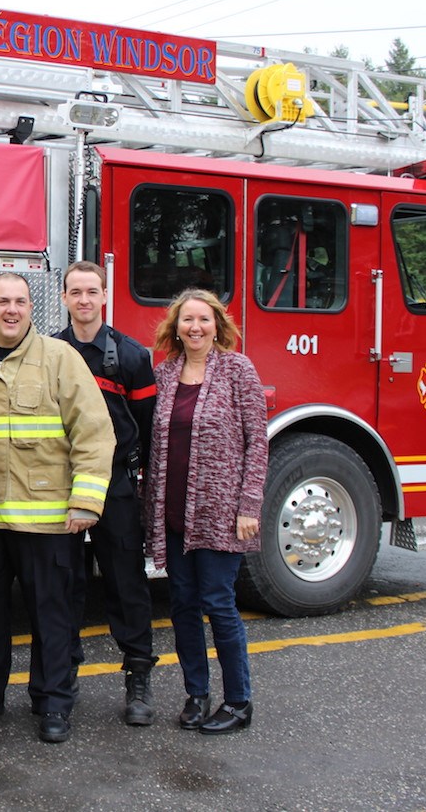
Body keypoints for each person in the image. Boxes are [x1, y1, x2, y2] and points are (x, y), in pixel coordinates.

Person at [0, 272, 114, 745]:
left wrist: (86, 502)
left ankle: (53, 702)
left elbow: (93, 432)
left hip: (48, 520)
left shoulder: (60, 358)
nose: (12, 310)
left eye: (21, 302)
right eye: (3, 301)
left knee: (53, 616)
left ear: (32, 308)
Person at [141, 287, 268, 735]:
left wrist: (249, 504)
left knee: (219, 603)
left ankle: (238, 702)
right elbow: (156, 444)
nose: (195, 327)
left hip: (220, 514)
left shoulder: (238, 371)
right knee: (182, 606)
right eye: (187, 320)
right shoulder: (166, 373)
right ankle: (197, 695)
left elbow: (258, 443)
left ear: (218, 326)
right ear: (175, 327)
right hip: (173, 514)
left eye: (204, 320)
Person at [54, 261, 159, 726]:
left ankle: (138, 679)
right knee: (66, 586)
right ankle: (64, 680)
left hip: (115, 485)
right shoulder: (50, 353)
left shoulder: (132, 358)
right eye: (74, 292)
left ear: (104, 296)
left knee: (126, 585)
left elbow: (150, 431)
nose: (83, 300)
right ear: (63, 298)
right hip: (61, 486)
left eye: (91, 291)